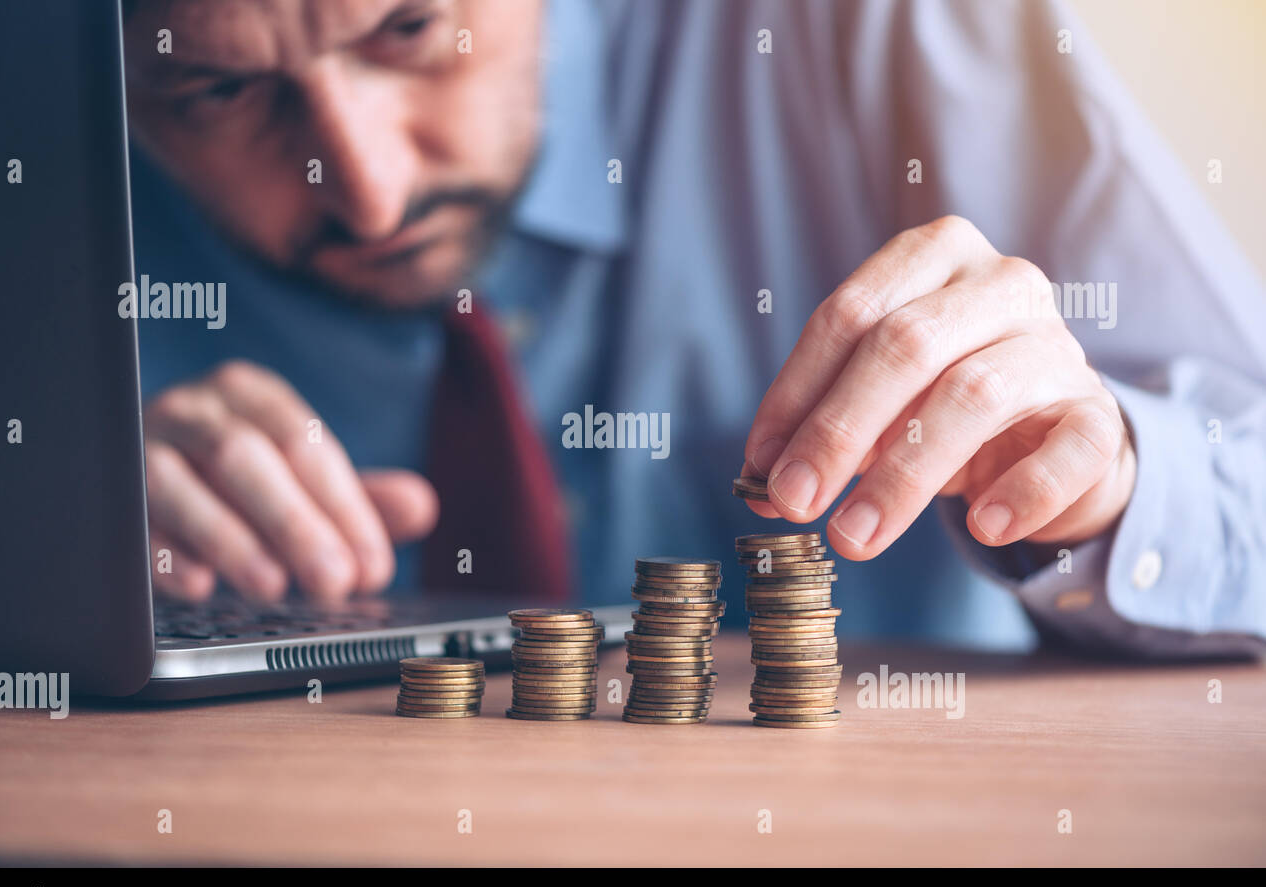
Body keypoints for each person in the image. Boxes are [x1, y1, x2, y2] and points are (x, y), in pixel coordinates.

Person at [121, 0, 1265, 657]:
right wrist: (41, 546)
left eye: (411, 25)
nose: (370, 192)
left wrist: (1107, 479)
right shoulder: (25, 114)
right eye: (216, 93)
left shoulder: (879, 27)